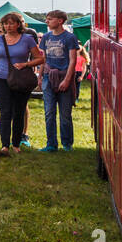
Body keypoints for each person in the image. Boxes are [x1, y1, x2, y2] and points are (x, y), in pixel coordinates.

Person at [0, 11, 44, 157]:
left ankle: (16, 144)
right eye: (5, 23)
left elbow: (40, 58)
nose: (8, 26)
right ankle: (4, 146)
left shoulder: (27, 39)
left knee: (19, 111)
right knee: (5, 112)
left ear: (18, 24)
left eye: (11, 23)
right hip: (1, 78)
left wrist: (26, 64)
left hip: (20, 79)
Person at [38, 10, 80, 153]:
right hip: (48, 78)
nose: (47, 21)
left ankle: (67, 144)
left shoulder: (70, 38)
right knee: (49, 112)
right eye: (46, 19)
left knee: (65, 114)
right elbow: (43, 58)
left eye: (50, 19)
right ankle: (51, 144)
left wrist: (67, 80)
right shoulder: (46, 37)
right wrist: (40, 75)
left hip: (64, 77)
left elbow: (73, 60)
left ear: (60, 21)